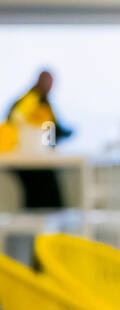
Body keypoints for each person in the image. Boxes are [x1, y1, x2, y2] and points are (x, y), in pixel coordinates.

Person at [6, 70, 72, 208]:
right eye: (48, 82)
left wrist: (65, 133)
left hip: (38, 157)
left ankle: (45, 227)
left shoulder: (44, 103)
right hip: (27, 158)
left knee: (43, 195)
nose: (49, 87)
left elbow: (54, 128)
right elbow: (14, 121)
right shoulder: (31, 99)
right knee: (41, 194)